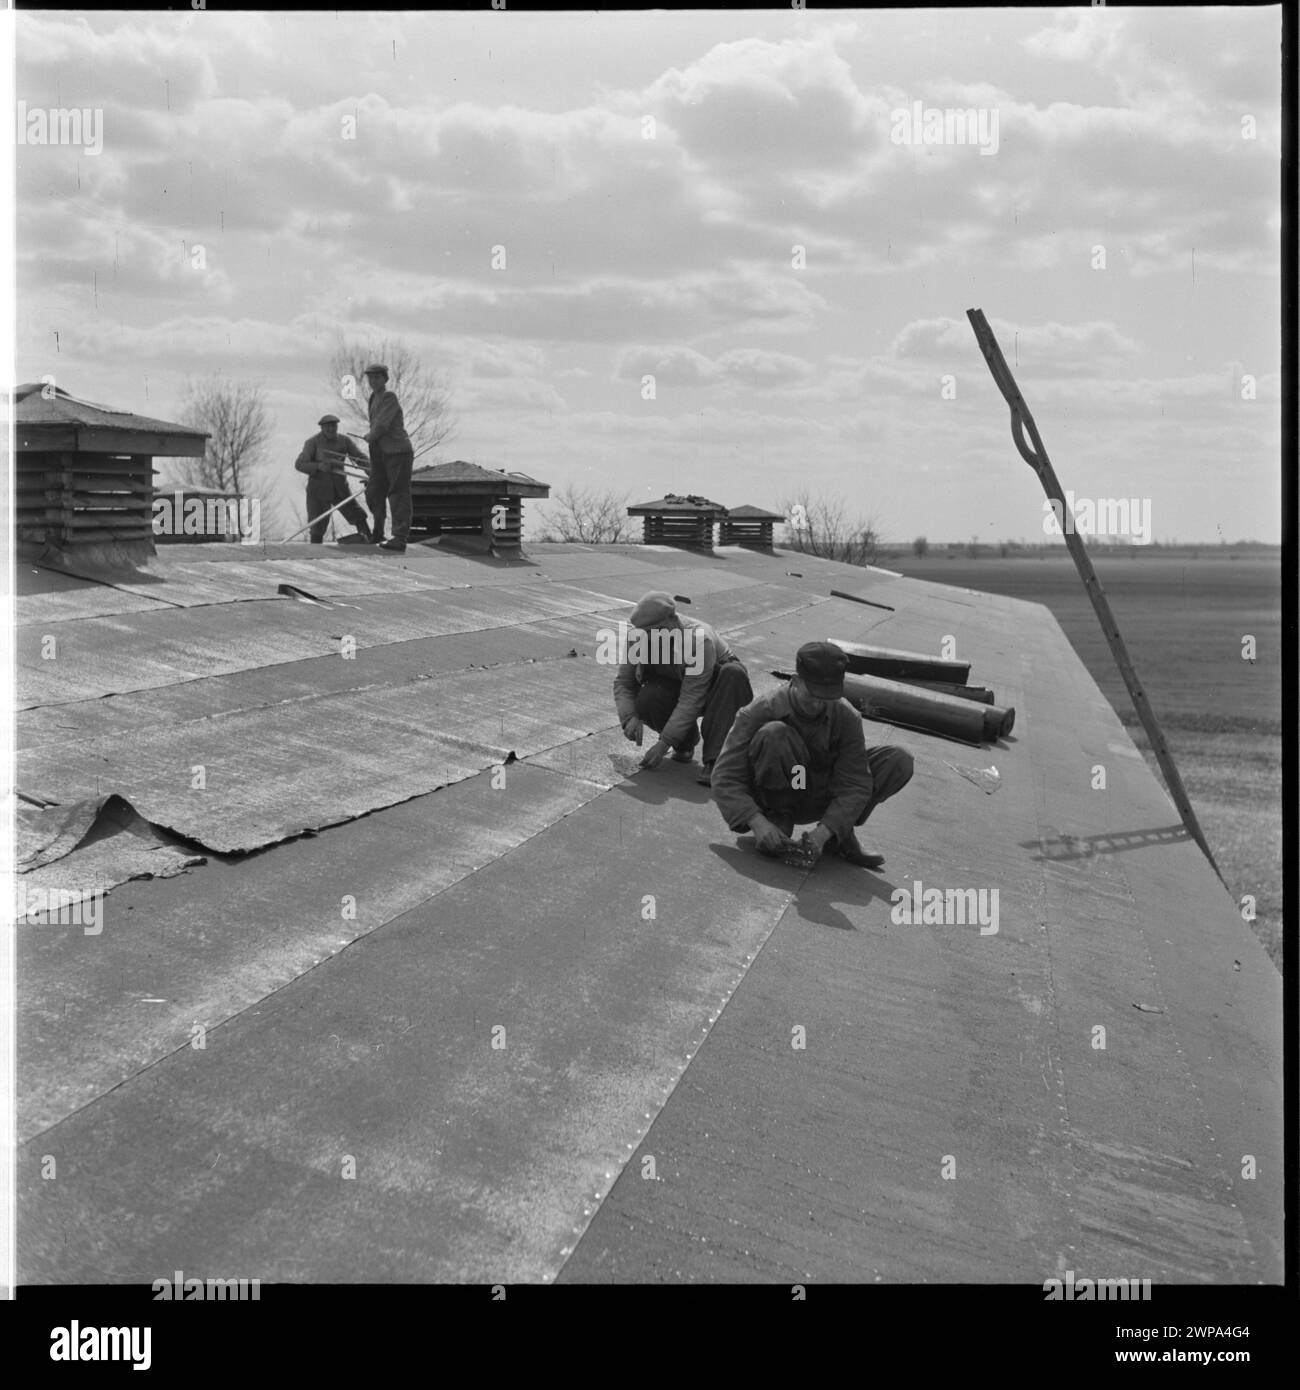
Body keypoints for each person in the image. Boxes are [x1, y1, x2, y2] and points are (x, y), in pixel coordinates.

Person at [710, 641, 913, 869]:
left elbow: (854, 784)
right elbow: (724, 777)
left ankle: (839, 833)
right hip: (787, 789)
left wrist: (824, 832)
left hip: (820, 790)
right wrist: (757, 822)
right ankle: (778, 821)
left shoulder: (847, 716)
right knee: (775, 734)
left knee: (898, 761)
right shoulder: (759, 711)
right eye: (813, 694)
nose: (818, 704)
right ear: (795, 681)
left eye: (828, 696)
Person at [614, 591, 753, 779]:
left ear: (673, 619)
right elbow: (624, 681)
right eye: (646, 633)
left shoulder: (698, 640)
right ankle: (685, 743)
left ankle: (714, 761)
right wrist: (629, 717)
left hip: (715, 686)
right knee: (649, 698)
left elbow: (692, 697)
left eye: (657, 631)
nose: (651, 637)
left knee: (732, 675)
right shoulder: (639, 636)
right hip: (675, 680)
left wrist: (664, 744)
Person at [294, 414, 372, 544]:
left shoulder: (344, 441)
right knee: (317, 525)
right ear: (322, 428)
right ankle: (315, 553)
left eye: (333, 426)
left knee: (358, 515)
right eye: (328, 427)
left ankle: (369, 542)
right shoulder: (312, 443)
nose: (331, 429)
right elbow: (299, 464)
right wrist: (318, 466)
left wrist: (373, 473)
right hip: (318, 491)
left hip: (340, 489)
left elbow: (359, 458)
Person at [362, 363, 414, 552]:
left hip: (398, 452)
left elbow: (382, 425)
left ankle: (399, 537)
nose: (373, 381)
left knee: (398, 493)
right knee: (374, 491)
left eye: (377, 377)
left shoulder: (389, 397)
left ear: (385, 379)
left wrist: (370, 436)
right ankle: (378, 532)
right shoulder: (373, 398)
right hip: (381, 453)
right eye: (370, 378)